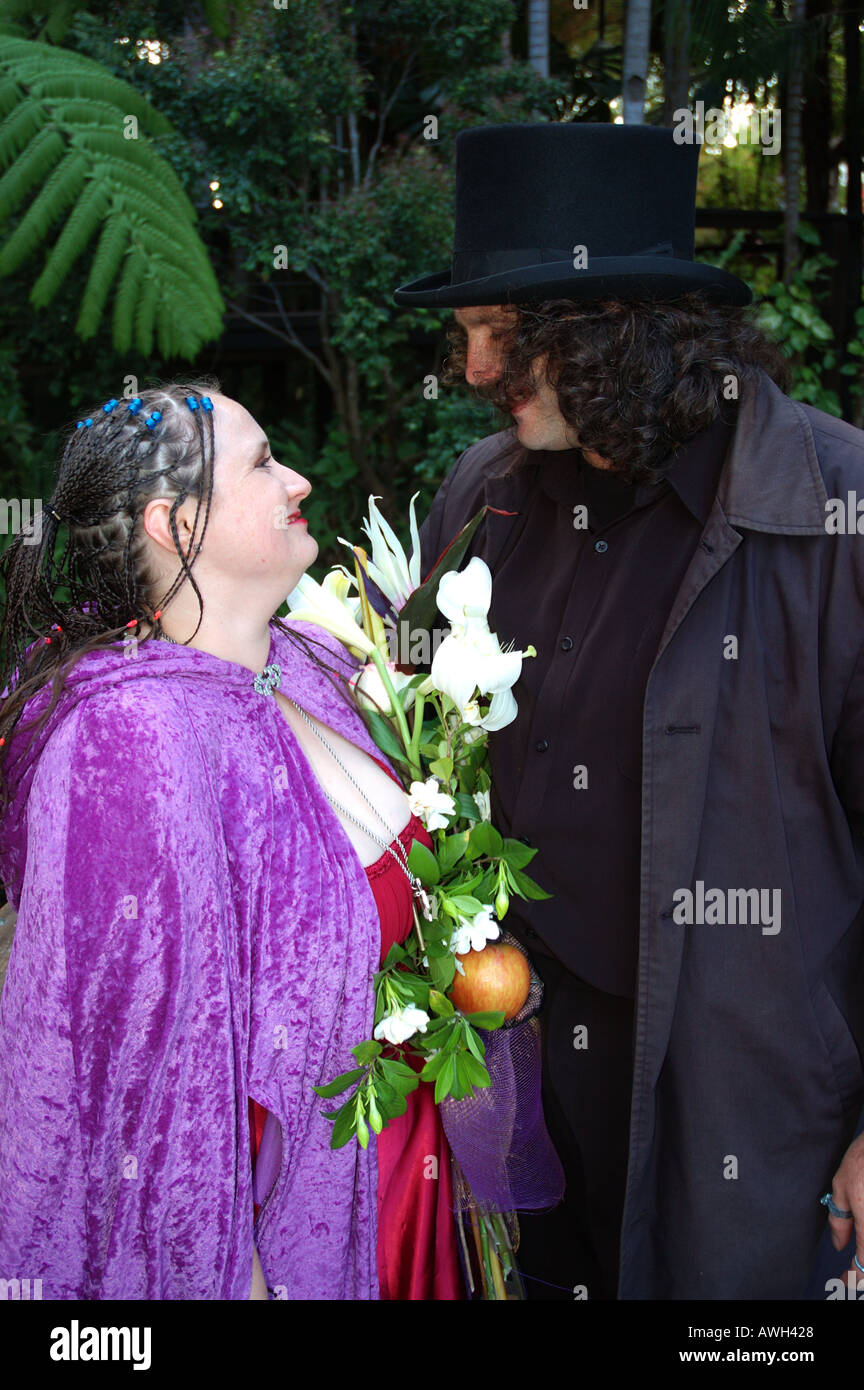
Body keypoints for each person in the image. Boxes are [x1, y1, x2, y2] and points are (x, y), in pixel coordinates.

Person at [395, 122, 864, 1299]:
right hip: (524, 1073)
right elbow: (398, 723)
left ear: (609, 332)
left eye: (497, 336)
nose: (472, 372)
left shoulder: (835, 509)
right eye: (466, 338)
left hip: (747, 1097)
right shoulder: (481, 493)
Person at [0, 381, 463, 1300]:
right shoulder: (129, 739)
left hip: (404, 1199)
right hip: (286, 1234)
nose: (296, 478)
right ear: (175, 525)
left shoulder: (310, 662)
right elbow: (138, 1097)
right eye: (260, 461)